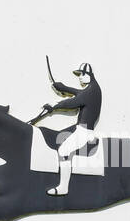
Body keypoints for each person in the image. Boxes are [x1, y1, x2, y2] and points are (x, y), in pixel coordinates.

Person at [34, 62, 102, 195]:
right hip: (79, 128)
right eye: (79, 75)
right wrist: (63, 87)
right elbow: (79, 93)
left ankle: (63, 187)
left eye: (83, 74)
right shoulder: (92, 88)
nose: (80, 77)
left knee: (64, 151)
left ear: (90, 75)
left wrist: (54, 106)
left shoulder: (92, 90)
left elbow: (73, 102)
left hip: (85, 132)